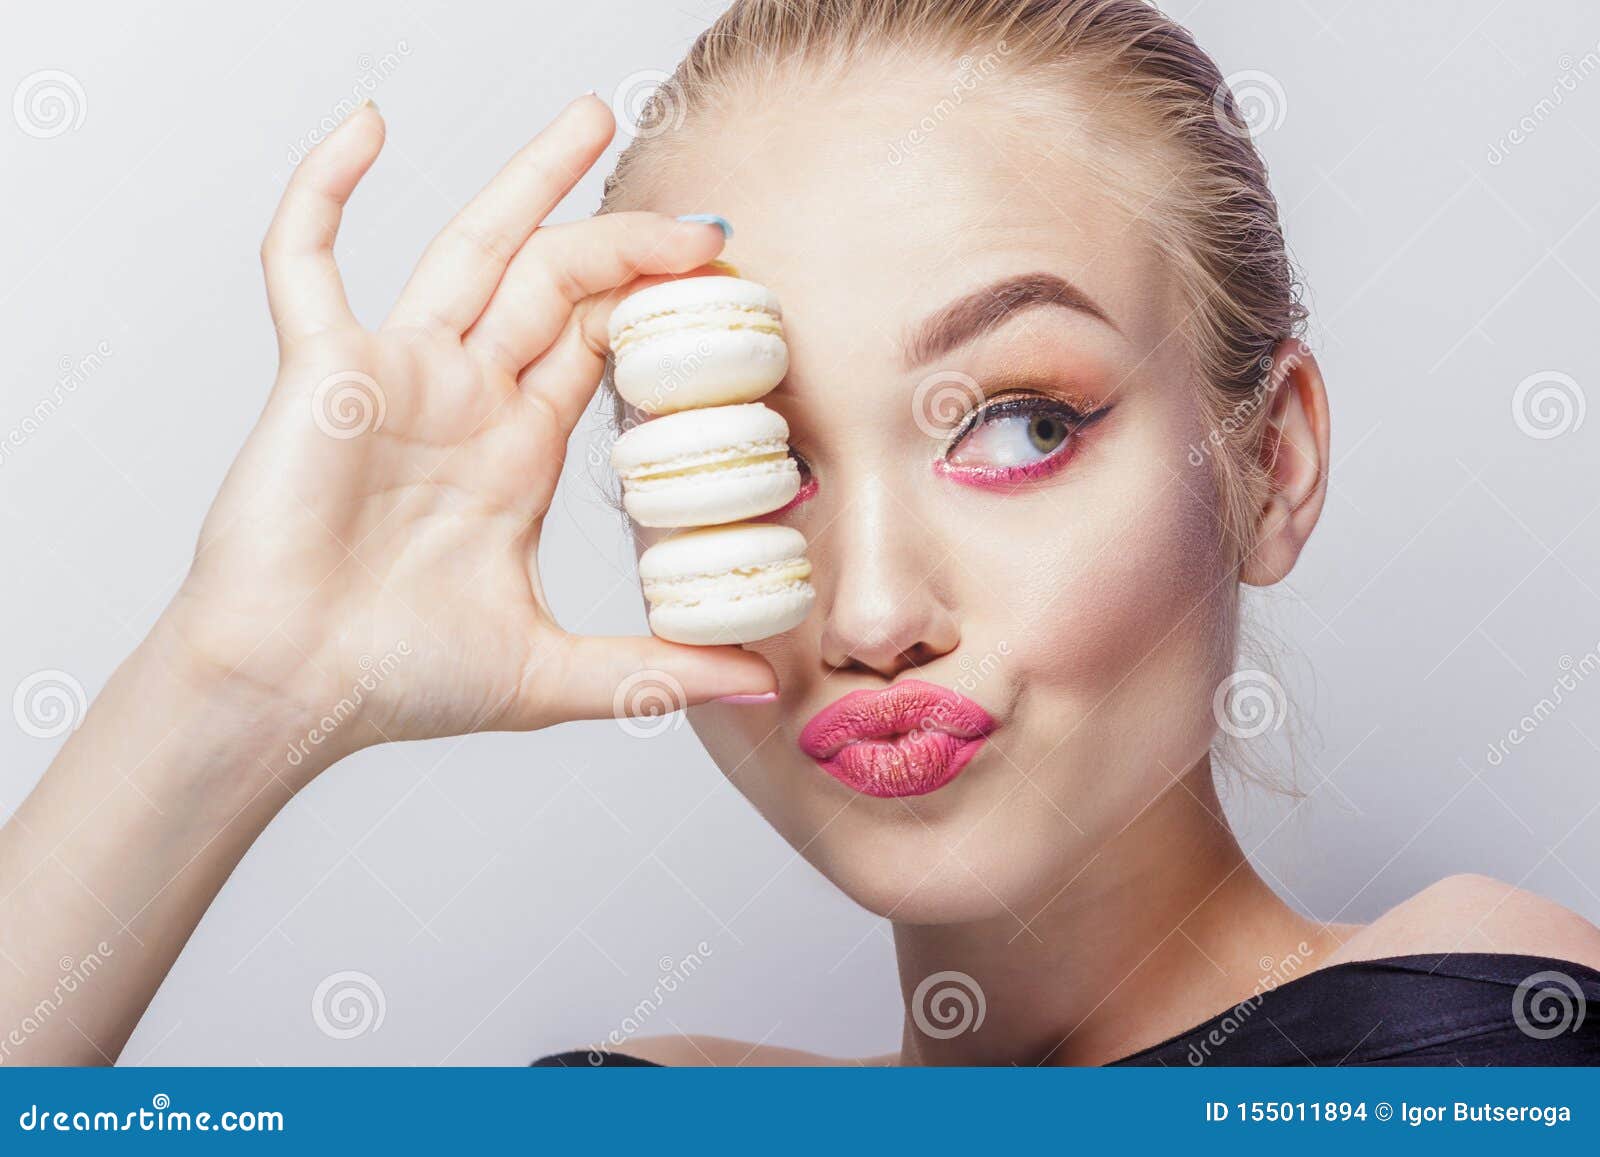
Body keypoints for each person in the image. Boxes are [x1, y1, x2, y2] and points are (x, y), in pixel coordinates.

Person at [5, 0, 1598, 1067]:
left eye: (1022, 423)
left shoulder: (1460, 1021)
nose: (873, 611)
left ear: (1273, 462)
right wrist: (243, 680)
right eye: (750, 458)